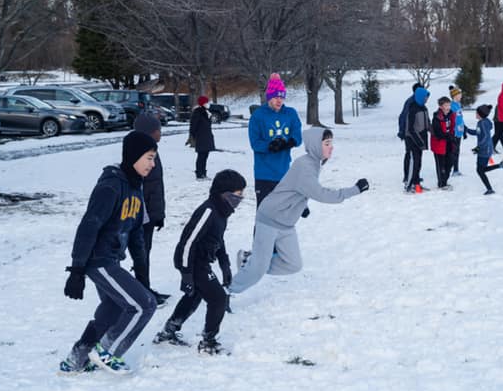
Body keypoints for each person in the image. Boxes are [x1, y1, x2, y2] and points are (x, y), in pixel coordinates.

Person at [58, 131, 159, 375]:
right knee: (144, 305)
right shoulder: (111, 186)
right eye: (149, 157)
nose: (152, 164)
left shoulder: (135, 188)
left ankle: (76, 359)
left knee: (113, 308)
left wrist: (142, 273)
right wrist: (76, 270)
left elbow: (136, 233)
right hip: (98, 259)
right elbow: (89, 225)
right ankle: (106, 351)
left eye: (154, 158)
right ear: (134, 156)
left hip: (111, 259)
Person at [228, 127, 368, 297]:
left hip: (287, 223)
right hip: (270, 218)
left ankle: (249, 261)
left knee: (293, 264)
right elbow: (322, 194)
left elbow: (297, 188)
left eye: (331, 143)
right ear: (315, 145)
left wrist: (303, 206)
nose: (331, 147)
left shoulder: (313, 163)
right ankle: (226, 292)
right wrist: (355, 190)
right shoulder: (305, 165)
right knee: (258, 269)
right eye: (327, 143)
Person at [153, 169, 247, 355]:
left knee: (194, 296)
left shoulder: (222, 211)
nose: (241, 198)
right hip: (192, 261)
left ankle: (168, 332)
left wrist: (225, 265)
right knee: (218, 298)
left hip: (201, 261)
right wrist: (187, 274)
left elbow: (218, 239)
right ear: (225, 194)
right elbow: (187, 242)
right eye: (238, 194)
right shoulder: (209, 211)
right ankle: (208, 342)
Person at [248, 74, 303, 207]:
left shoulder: (290, 113)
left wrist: (289, 142)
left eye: (282, 97)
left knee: (283, 215)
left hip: (284, 173)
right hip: (264, 175)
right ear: (269, 97)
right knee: (264, 215)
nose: (279, 100)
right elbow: (255, 143)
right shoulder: (258, 116)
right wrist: (270, 146)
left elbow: (298, 136)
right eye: (276, 97)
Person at [133, 113, 169, 307]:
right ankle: (142, 291)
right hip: (140, 216)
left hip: (149, 214)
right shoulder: (140, 154)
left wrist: (158, 215)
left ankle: (144, 287)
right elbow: (142, 188)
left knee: (145, 252)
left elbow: (156, 187)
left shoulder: (151, 150)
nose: (160, 133)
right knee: (141, 253)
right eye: (158, 130)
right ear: (149, 132)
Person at [468, 104, 503, 195]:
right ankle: (501, 165)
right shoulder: (482, 122)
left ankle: (490, 189)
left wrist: (478, 147)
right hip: (486, 149)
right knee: (481, 169)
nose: (475, 114)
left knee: (480, 170)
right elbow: (477, 132)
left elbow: (485, 136)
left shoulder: (483, 123)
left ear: (480, 114)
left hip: (485, 149)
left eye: (477, 112)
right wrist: (466, 130)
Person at [403, 86, 430, 193]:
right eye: (425, 97)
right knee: (413, 163)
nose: (427, 99)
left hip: (421, 139)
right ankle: (408, 185)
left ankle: (416, 183)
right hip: (413, 140)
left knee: (419, 163)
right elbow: (410, 129)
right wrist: (419, 141)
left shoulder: (424, 108)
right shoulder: (412, 108)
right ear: (420, 97)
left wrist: (434, 132)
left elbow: (427, 123)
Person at [398, 82, 423, 183]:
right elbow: (403, 116)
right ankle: (408, 176)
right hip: (409, 133)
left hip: (416, 133)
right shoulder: (411, 102)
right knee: (410, 154)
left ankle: (415, 175)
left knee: (416, 155)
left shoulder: (419, 102)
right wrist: (402, 131)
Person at [188, 95, 215, 180]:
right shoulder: (198, 112)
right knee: (201, 156)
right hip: (201, 138)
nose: (208, 104)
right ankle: (200, 174)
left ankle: (203, 173)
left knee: (205, 156)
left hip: (206, 137)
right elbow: (193, 126)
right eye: (206, 102)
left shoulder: (206, 112)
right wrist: (196, 136)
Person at [430, 96, 454, 190]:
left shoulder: (451, 114)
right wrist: (448, 136)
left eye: (449, 105)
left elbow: (453, 125)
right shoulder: (437, 117)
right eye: (446, 105)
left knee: (450, 162)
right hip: (439, 144)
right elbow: (438, 133)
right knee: (441, 165)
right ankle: (441, 183)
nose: (448, 107)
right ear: (441, 106)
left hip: (448, 143)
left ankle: (445, 180)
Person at [448, 85, 467, 176]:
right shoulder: (452, 106)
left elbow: (460, 118)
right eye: (460, 94)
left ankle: (456, 169)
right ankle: (450, 169)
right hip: (454, 133)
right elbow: (452, 120)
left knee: (457, 151)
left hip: (459, 132)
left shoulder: (458, 105)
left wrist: (464, 129)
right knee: (453, 151)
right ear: (455, 95)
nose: (461, 96)